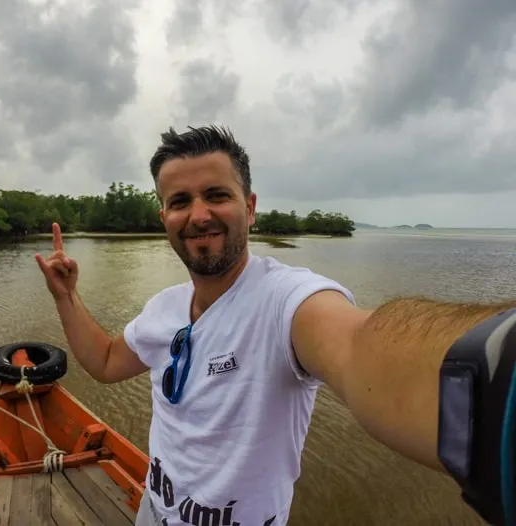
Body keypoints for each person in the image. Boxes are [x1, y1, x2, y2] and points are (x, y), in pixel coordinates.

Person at [35, 125, 515, 526]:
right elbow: (102, 360)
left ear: (249, 207)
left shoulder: (288, 302)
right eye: (180, 200)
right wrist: (66, 297)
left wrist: (500, 374)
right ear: (164, 216)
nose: (198, 214)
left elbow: (361, 348)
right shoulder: (163, 309)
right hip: (154, 512)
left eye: (217, 195)